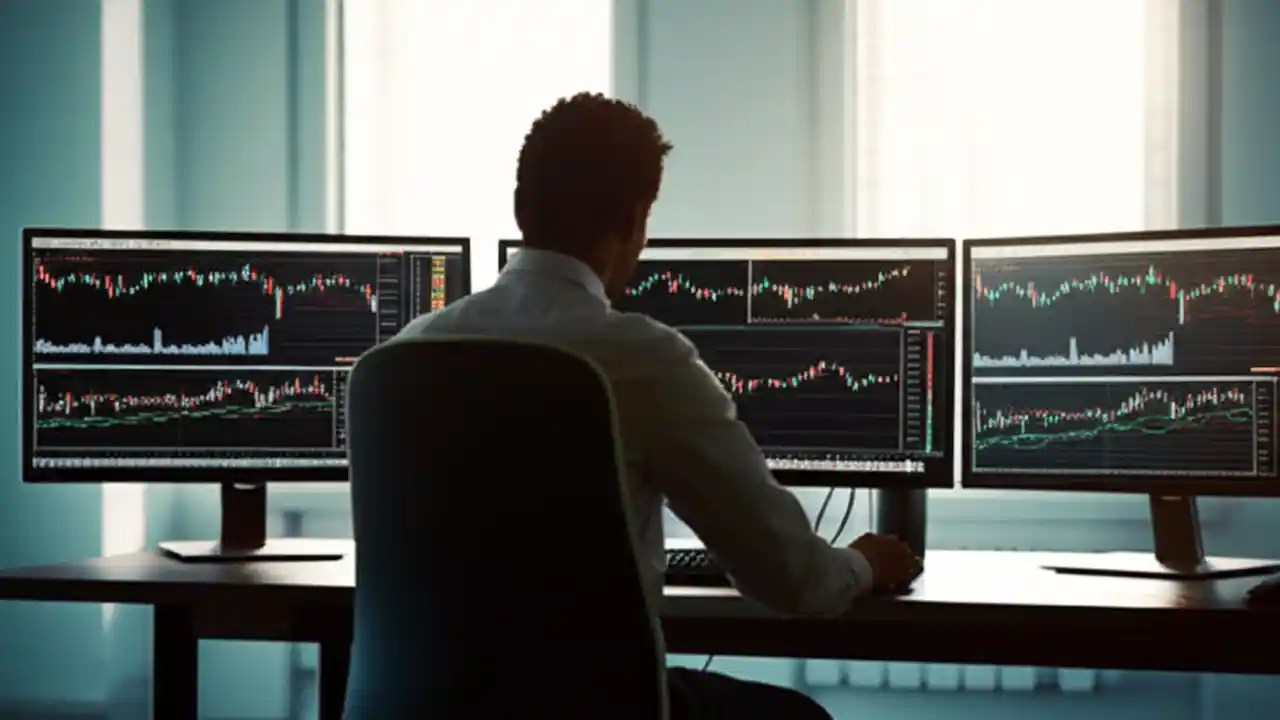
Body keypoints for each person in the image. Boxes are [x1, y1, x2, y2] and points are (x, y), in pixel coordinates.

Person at [397, 92, 922, 719]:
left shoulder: (406, 354)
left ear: (519, 208)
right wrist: (864, 563)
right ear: (634, 219)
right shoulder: (641, 358)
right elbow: (792, 581)